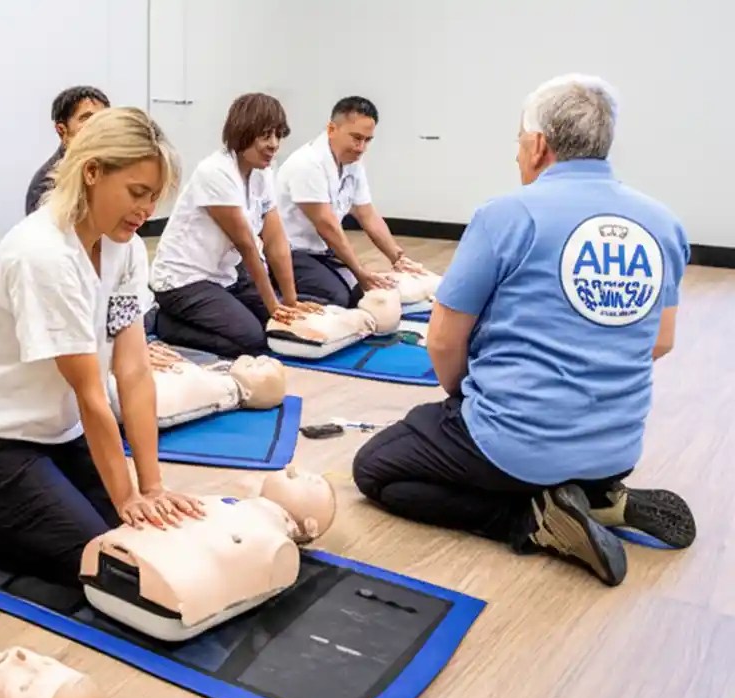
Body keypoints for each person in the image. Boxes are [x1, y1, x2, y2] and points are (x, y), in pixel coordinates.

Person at [351, 74, 696, 587]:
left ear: (538, 145)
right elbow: (660, 342)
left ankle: (531, 522)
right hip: (616, 449)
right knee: (519, 448)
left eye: (517, 140)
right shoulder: (662, 223)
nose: (516, 154)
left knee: (376, 468)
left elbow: (444, 340)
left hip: (514, 447)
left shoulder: (505, 215)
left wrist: (465, 401)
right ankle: (599, 498)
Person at [0, 107, 204, 586]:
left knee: (131, 533)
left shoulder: (125, 246)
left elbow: (132, 371)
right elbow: (92, 394)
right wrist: (127, 498)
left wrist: (150, 488)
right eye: (137, 193)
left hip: (52, 422)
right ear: (92, 172)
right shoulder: (43, 253)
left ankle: (0, 506)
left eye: (154, 198)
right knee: (104, 563)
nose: (146, 211)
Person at [148, 93, 299, 358]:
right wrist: (273, 304)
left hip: (225, 275)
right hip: (184, 281)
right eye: (265, 135)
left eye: (278, 135)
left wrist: (290, 302)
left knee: (281, 327)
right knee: (251, 341)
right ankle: (162, 322)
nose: (274, 144)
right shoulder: (215, 172)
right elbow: (247, 245)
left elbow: (276, 241)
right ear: (242, 132)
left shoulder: (263, 173)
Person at [275, 96, 423, 307]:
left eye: (367, 140)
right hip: (290, 252)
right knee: (338, 299)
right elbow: (327, 226)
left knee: (360, 294)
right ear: (331, 129)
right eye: (356, 137)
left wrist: (398, 259)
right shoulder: (306, 164)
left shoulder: (352, 163)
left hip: (321, 251)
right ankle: (275, 298)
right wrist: (359, 272)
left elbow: (367, 215)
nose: (361, 147)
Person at [25, 85, 111, 215]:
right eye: (87, 118)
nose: (98, 125)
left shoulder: (113, 166)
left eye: (103, 118)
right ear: (62, 130)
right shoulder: (47, 184)